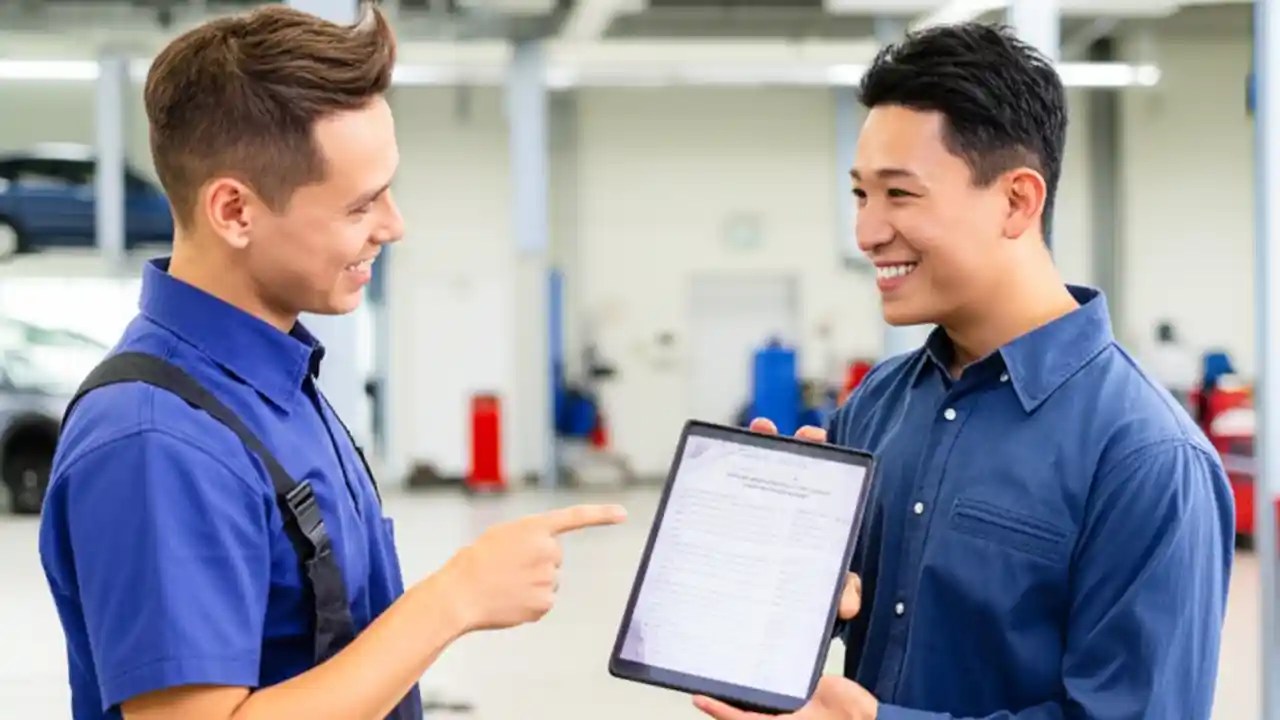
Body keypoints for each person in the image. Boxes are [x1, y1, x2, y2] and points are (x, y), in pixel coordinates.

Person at [37, 6, 627, 720]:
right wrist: (454, 599)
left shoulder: (273, 390)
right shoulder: (158, 438)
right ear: (234, 211)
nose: (394, 224)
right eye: (361, 204)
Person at [696, 21, 1234, 720]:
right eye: (861, 194)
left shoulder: (1147, 457)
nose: (866, 233)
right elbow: (836, 615)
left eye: (900, 195)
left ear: (1017, 201)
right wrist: (779, 570)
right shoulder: (879, 405)